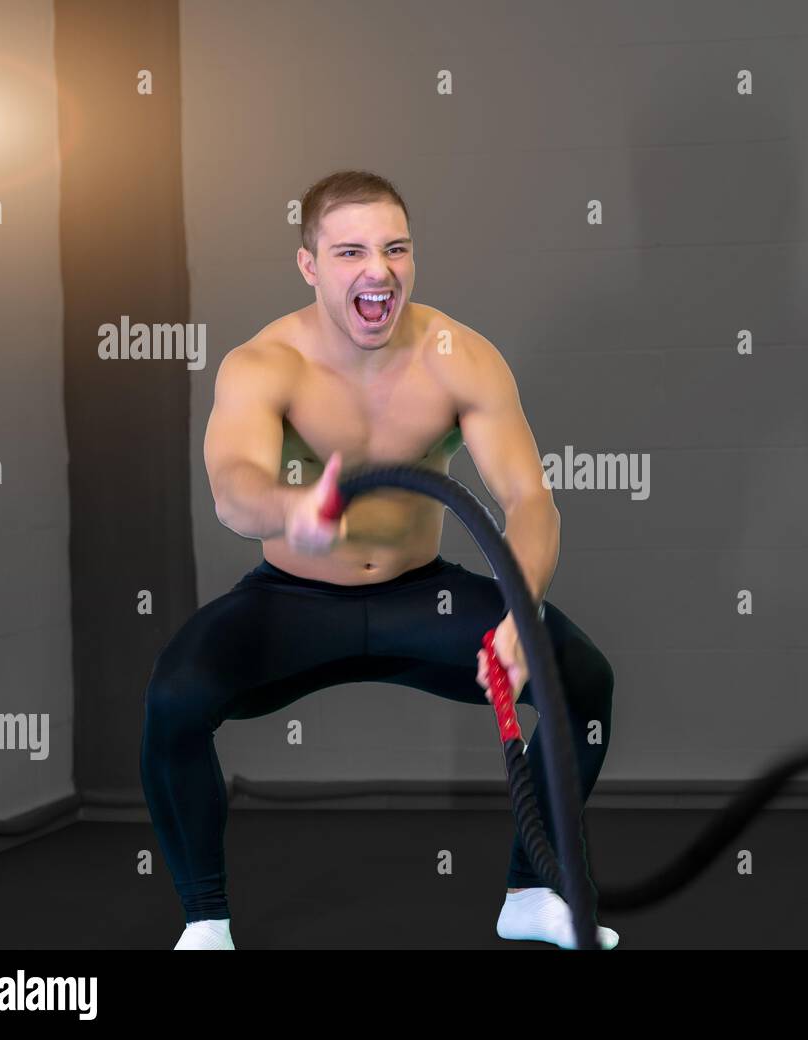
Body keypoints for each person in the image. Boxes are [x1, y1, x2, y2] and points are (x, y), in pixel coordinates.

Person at [140, 170, 618, 950]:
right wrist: (295, 509)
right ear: (310, 265)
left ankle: (531, 894)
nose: (379, 270)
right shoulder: (264, 364)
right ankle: (205, 922)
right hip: (292, 600)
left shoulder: (460, 357)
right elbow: (233, 491)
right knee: (173, 703)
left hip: (416, 597)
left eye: (396, 249)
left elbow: (532, 505)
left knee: (586, 680)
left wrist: (519, 619)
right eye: (352, 250)